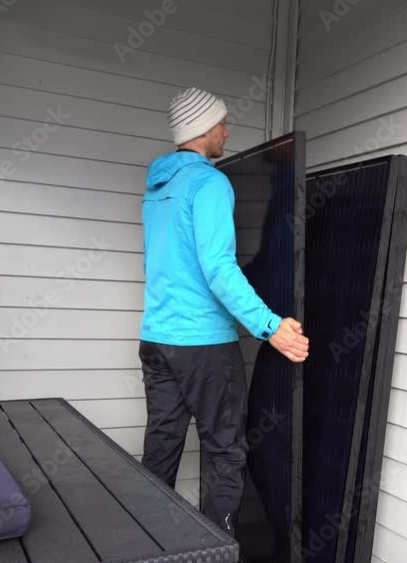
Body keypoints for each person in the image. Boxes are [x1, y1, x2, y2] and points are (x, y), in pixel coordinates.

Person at [139, 86, 310, 536]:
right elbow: (218, 268)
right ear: (202, 130)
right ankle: (215, 550)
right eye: (221, 125)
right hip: (204, 347)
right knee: (224, 453)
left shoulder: (158, 186)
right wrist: (270, 326)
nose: (226, 132)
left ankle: (147, 543)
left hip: (157, 338)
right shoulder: (209, 183)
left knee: (161, 446)